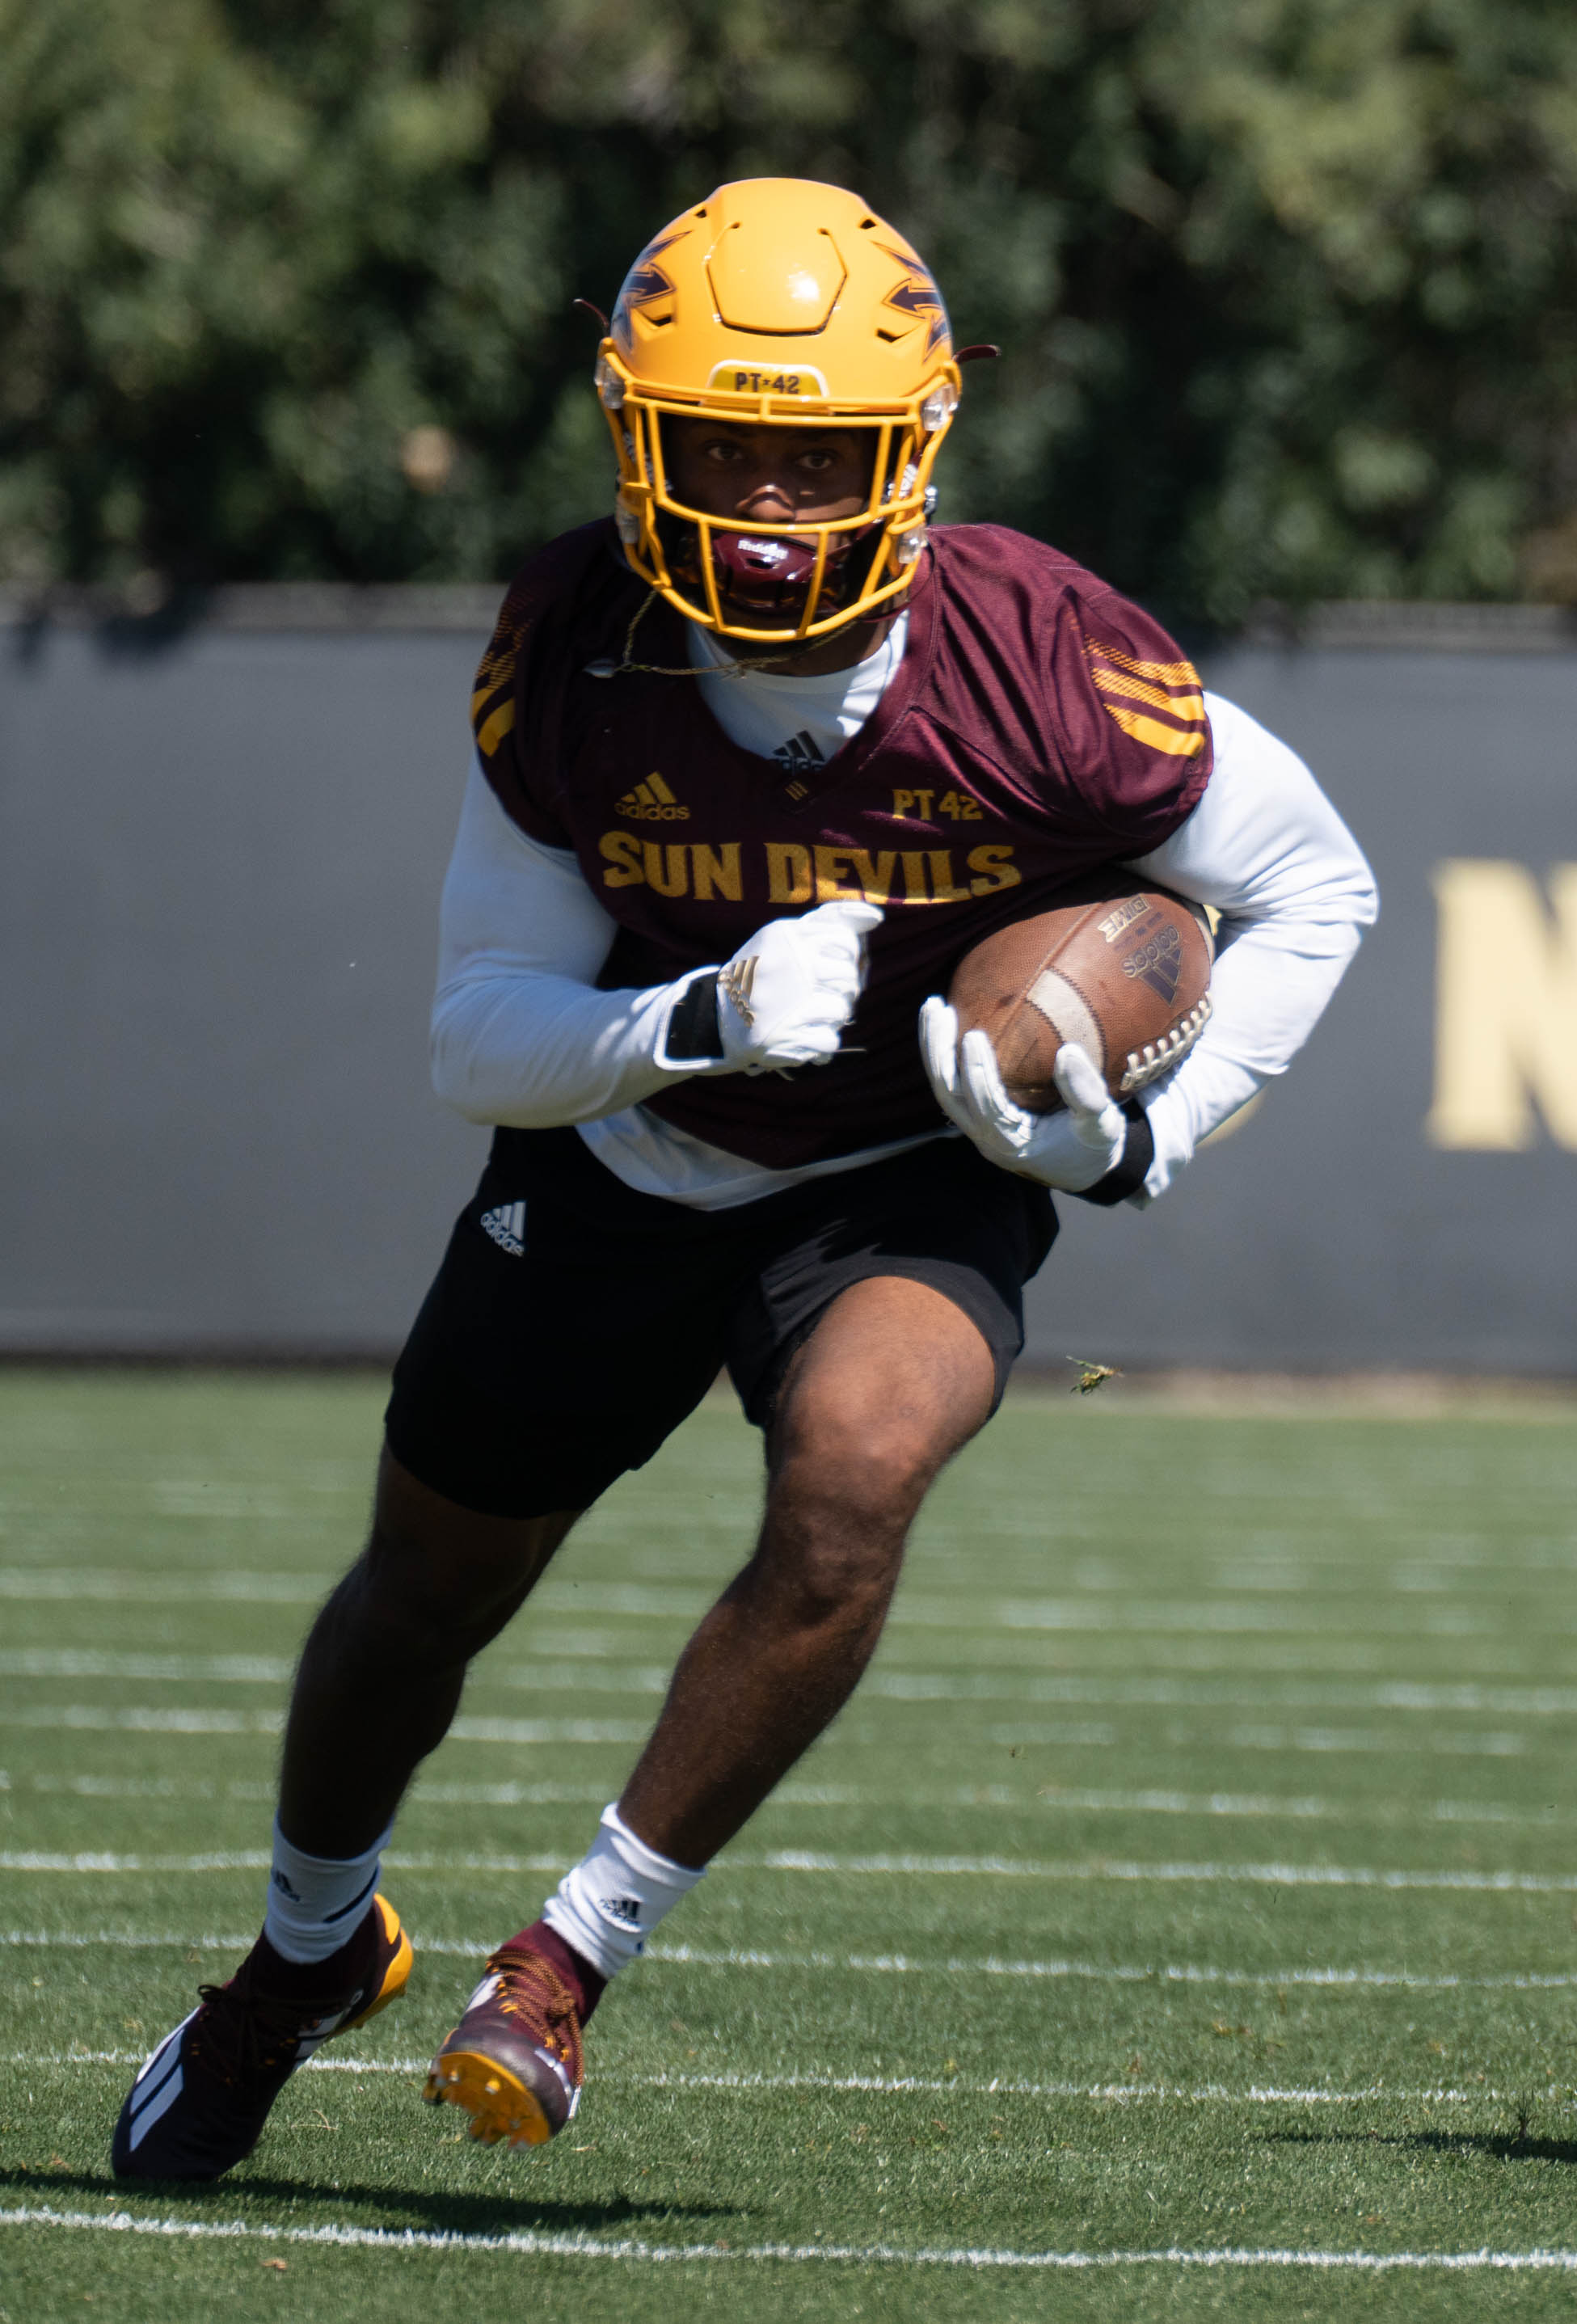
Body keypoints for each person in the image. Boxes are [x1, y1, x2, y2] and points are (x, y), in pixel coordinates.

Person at [112, 177, 1377, 2179]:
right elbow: (477, 1032)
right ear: (638, 441)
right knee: (422, 1593)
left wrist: (1146, 1128)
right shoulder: (574, 641)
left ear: (911, 454)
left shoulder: (1046, 657)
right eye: (718, 450)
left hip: (905, 1171)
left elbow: (1317, 885)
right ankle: (301, 1956)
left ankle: (565, 1962)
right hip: (629, 1152)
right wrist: (693, 1019)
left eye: (815, 457)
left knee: (862, 1465)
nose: (768, 507)